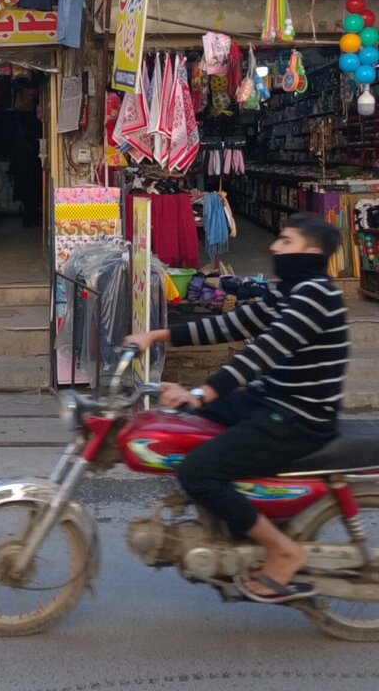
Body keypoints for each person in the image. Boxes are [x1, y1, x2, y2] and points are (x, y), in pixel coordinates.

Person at [128, 213, 348, 604]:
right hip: (274, 398)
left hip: (299, 416)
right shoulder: (291, 289)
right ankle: (232, 525)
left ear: (311, 252)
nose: (274, 247)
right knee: (189, 426)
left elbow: (264, 352)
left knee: (199, 471)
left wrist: (202, 393)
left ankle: (283, 551)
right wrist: (158, 335)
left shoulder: (317, 294)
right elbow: (233, 325)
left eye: (285, 242)